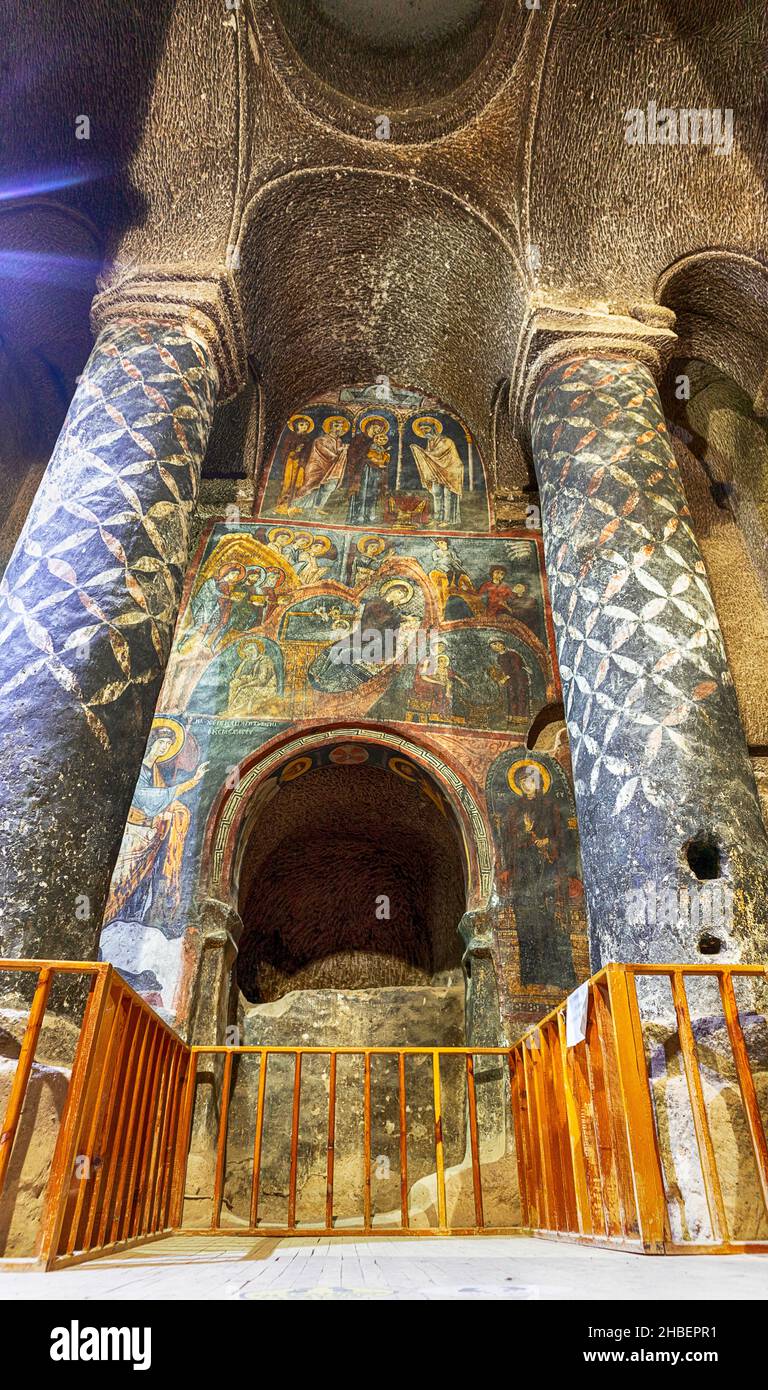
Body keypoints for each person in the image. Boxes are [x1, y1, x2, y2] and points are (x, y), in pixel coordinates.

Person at [409, 416, 464, 525]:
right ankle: (438, 518)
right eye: (422, 430)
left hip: (451, 471)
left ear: (433, 428)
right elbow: (431, 459)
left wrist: (420, 451)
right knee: (437, 494)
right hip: (436, 471)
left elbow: (436, 454)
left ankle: (447, 520)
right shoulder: (430, 442)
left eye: (427, 429)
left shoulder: (446, 441)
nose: (424, 431)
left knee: (448, 495)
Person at [293, 415, 350, 513]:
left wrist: (342, 450)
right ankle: (296, 505)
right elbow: (325, 452)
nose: (339, 429)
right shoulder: (320, 440)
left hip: (330, 468)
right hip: (317, 468)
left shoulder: (339, 441)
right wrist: (338, 451)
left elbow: (337, 454)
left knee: (328, 487)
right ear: (330, 427)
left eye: (341, 426)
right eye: (337, 426)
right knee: (310, 486)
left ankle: (318, 508)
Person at [346, 416, 390, 523]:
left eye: (380, 430)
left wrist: (382, 459)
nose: (378, 431)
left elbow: (383, 457)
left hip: (375, 470)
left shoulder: (378, 442)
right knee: (362, 491)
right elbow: (353, 455)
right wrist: (368, 457)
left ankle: (370, 515)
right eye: (376, 428)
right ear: (369, 426)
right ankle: (358, 515)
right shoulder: (359, 438)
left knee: (373, 491)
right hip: (362, 469)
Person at [489, 640, 530, 721]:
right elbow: (502, 670)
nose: (495, 647)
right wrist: (499, 677)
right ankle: (513, 718)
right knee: (511, 696)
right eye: (493, 646)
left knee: (520, 696)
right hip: (510, 680)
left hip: (519, 678)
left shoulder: (512, 654)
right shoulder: (499, 657)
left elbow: (517, 668)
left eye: (496, 644)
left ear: (502, 644)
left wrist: (505, 678)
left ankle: (522, 718)